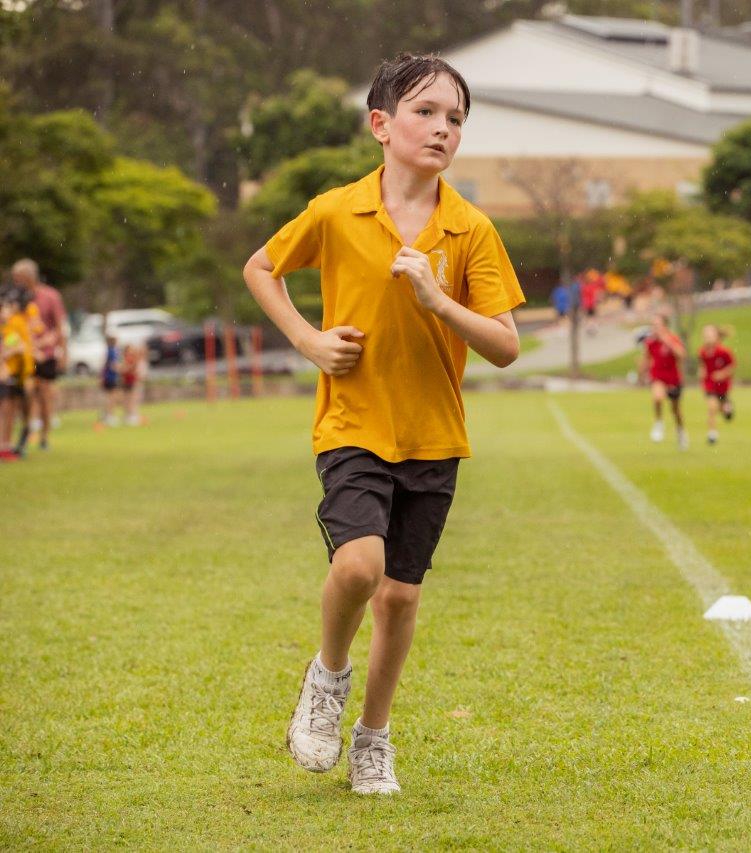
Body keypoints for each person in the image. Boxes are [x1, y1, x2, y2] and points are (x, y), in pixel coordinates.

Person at [242, 53, 523, 796]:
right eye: (426, 112)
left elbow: (503, 344)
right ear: (381, 124)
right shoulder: (337, 211)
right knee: (360, 567)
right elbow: (260, 268)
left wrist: (439, 302)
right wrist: (309, 340)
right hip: (352, 423)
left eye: (455, 118)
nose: (442, 128)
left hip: (435, 436)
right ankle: (327, 679)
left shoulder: (470, 230)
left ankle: (373, 736)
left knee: (400, 595)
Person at [12, 259, 66, 450]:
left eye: (18, 278)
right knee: (25, 394)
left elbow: (60, 327)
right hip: (25, 355)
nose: (15, 281)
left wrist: (60, 351)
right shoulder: (17, 299)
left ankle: (44, 436)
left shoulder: (50, 296)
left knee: (44, 395)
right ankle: (26, 431)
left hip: (46, 354)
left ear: (28, 277)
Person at [639, 312, 687, 449]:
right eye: (653, 325)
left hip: (673, 378)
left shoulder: (673, 339)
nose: (655, 328)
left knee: (676, 410)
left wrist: (667, 342)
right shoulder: (650, 342)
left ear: (665, 326)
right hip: (658, 376)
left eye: (657, 325)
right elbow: (646, 359)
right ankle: (658, 423)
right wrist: (642, 374)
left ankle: (681, 432)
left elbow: (682, 355)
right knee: (658, 398)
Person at [0, 289, 35, 461]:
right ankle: (4, 445)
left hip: (16, 375)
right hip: (7, 374)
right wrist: (14, 349)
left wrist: (27, 374)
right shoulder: (10, 325)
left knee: (11, 412)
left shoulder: (17, 323)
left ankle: (7, 445)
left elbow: (25, 349)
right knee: (5, 412)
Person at [698, 324, 736, 445]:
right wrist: (702, 373)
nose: (707, 337)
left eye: (710, 334)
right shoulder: (702, 351)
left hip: (722, 386)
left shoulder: (724, 352)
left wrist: (722, 373)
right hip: (709, 385)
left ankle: (727, 408)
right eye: (705, 335)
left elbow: (732, 367)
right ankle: (712, 434)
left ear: (716, 336)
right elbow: (702, 365)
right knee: (711, 407)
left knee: (722, 408)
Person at [99, 334, 124, 426]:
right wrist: (122, 369)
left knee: (108, 397)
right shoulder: (113, 351)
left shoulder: (108, 351)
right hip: (111, 377)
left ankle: (106, 414)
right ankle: (110, 415)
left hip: (107, 377)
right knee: (112, 397)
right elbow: (114, 365)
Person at [121, 343, 146, 425]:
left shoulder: (134, 358)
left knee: (133, 399)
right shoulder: (126, 358)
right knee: (127, 399)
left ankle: (133, 415)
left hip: (133, 381)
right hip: (126, 381)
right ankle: (128, 416)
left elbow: (133, 369)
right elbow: (124, 369)